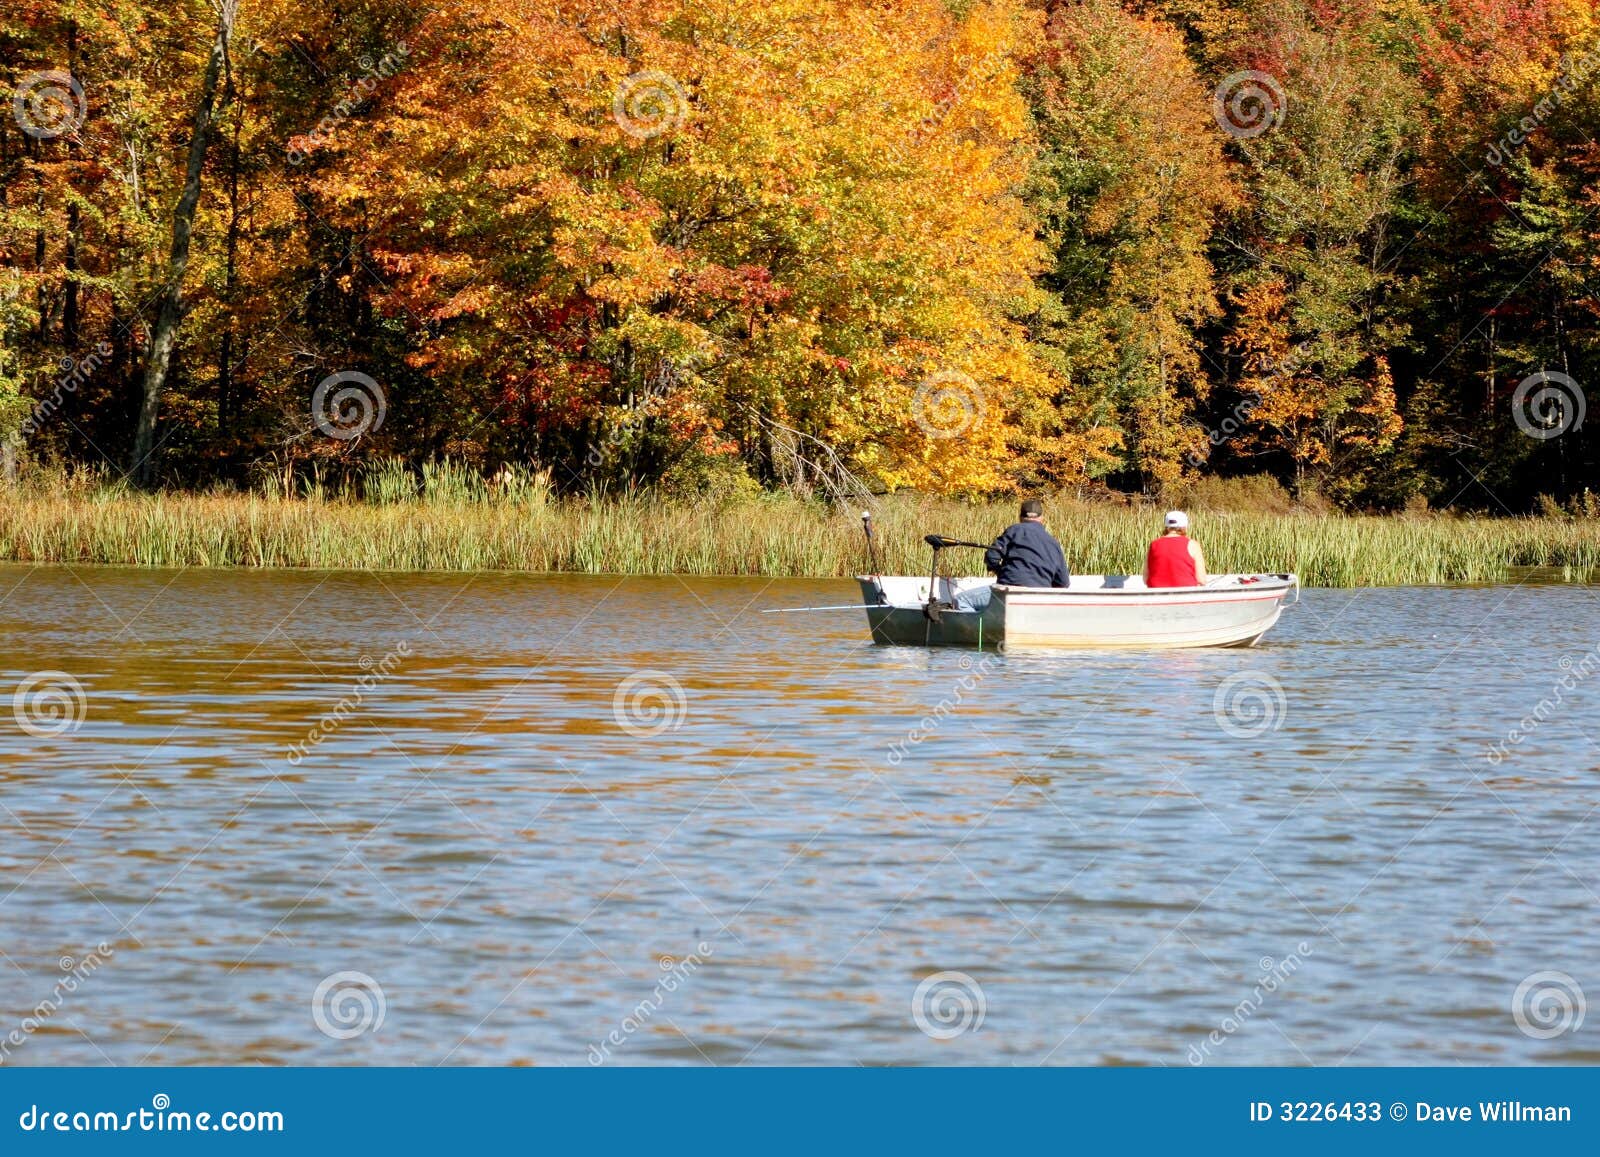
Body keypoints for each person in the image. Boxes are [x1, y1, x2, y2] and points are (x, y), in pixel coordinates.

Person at [984, 499, 1070, 587]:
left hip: (1009, 590)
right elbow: (1063, 582)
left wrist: (1001, 572)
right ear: (1041, 518)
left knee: (968, 600)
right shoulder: (1053, 543)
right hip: (1040, 595)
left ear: (1020, 517)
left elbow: (991, 556)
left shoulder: (1013, 531)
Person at [1144, 510, 1209, 588]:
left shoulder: (1153, 544)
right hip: (1186, 594)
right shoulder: (1193, 545)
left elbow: (1145, 578)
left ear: (1166, 526)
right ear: (1184, 526)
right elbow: (1201, 579)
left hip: (1157, 595)